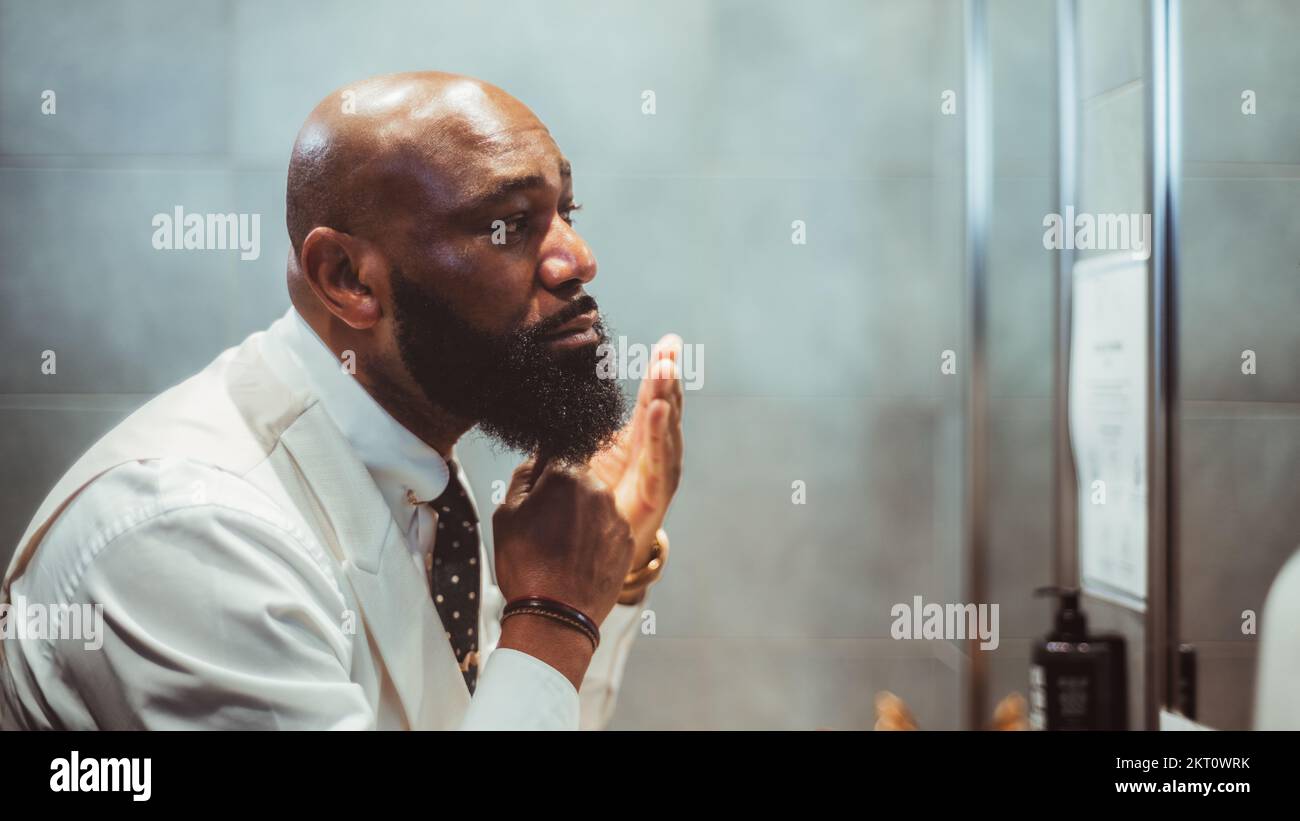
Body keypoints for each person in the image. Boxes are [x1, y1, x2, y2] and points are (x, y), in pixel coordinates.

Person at [0, 71, 684, 730]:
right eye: (509, 222)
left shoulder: (413, 463)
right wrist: (551, 617)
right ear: (349, 278)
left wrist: (605, 576)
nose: (578, 257)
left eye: (566, 211)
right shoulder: (190, 531)